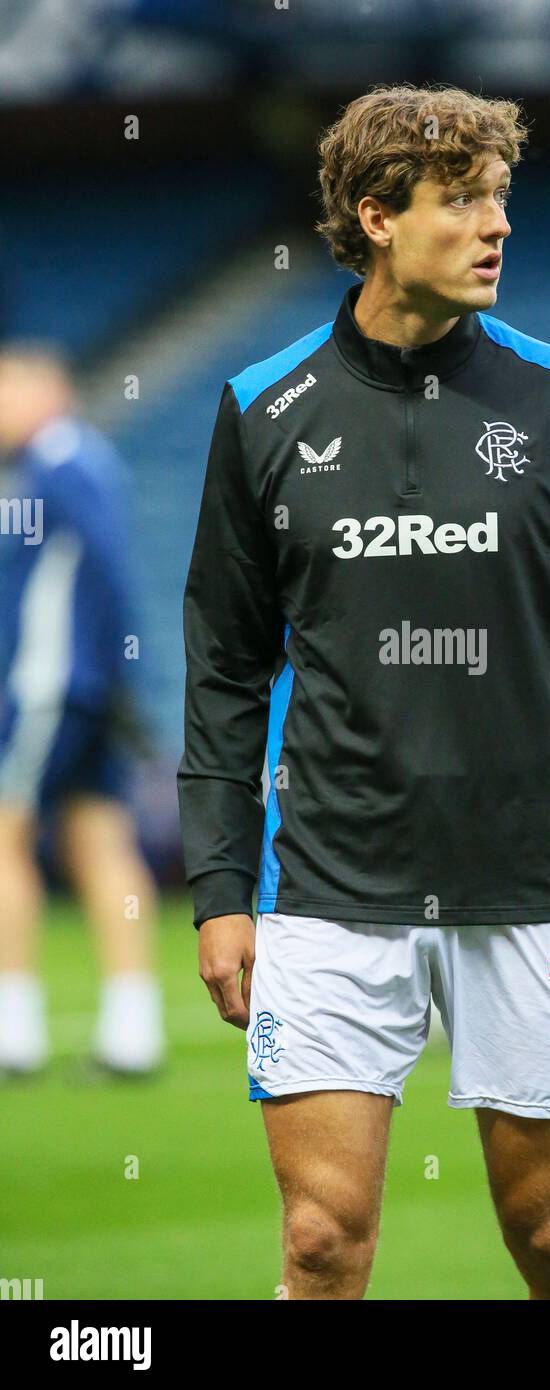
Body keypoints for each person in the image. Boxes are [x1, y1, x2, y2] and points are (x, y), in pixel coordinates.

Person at [178, 84, 550, 1300]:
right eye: (460, 200)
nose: (493, 226)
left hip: (528, 876)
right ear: (376, 215)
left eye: (498, 198)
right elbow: (226, 666)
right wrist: (221, 890)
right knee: (321, 1242)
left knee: (549, 1237)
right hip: (330, 885)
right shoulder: (263, 411)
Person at [0, 347, 163, 1076]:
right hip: (86, 688)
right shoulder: (69, 464)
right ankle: (134, 1031)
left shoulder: (59, 464)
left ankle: (15, 1031)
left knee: (5, 839)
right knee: (100, 841)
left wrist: (123, 669)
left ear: (48, 390)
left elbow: (105, 568)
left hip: (48, 686)